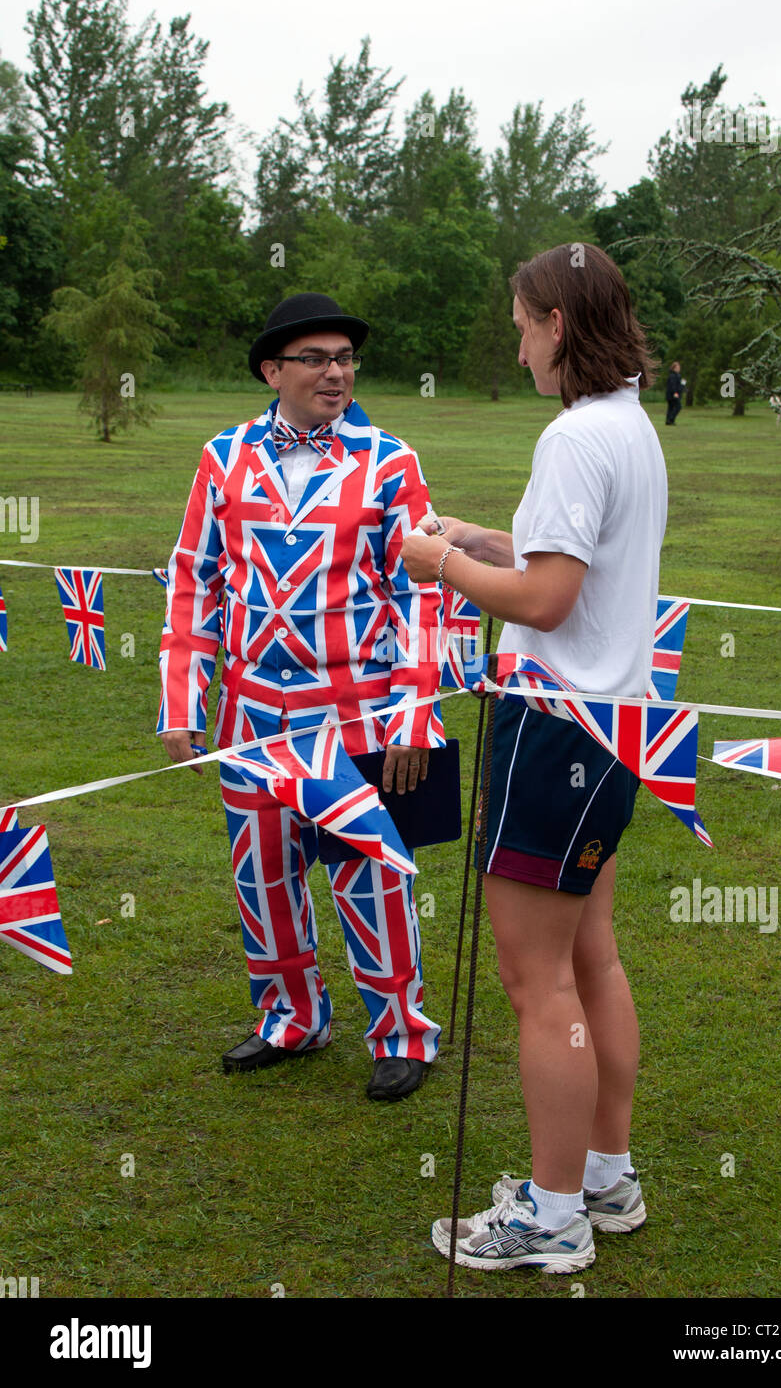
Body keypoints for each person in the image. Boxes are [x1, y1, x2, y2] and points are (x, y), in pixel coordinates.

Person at [402, 243, 667, 1270]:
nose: (517, 348)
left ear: (558, 322)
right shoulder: (627, 426)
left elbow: (551, 603)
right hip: (616, 729)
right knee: (589, 956)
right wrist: (492, 537)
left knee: (536, 981)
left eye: (522, 325)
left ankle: (550, 1216)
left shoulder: (573, 438)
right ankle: (604, 1176)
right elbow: (570, 563)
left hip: (557, 724)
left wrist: (447, 562)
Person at [158, 293, 445, 1102]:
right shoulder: (223, 458)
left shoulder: (392, 461)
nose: (336, 372)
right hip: (250, 718)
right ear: (272, 371)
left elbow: (423, 595)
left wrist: (414, 713)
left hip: (354, 715)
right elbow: (196, 580)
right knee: (264, 877)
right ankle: (291, 1018)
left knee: (372, 870)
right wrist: (182, 699)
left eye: (345, 358)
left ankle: (402, 1032)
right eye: (316, 359)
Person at [665, 360, 684, 424]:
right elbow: (673, 386)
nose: (679, 369)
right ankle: (670, 419)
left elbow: (679, 385)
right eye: (677, 368)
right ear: (674, 368)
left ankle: (669, 421)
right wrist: (675, 393)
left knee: (671, 408)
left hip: (673, 394)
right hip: (673, 394)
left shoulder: (677, 376)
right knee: (678, 406)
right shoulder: (673, 376)